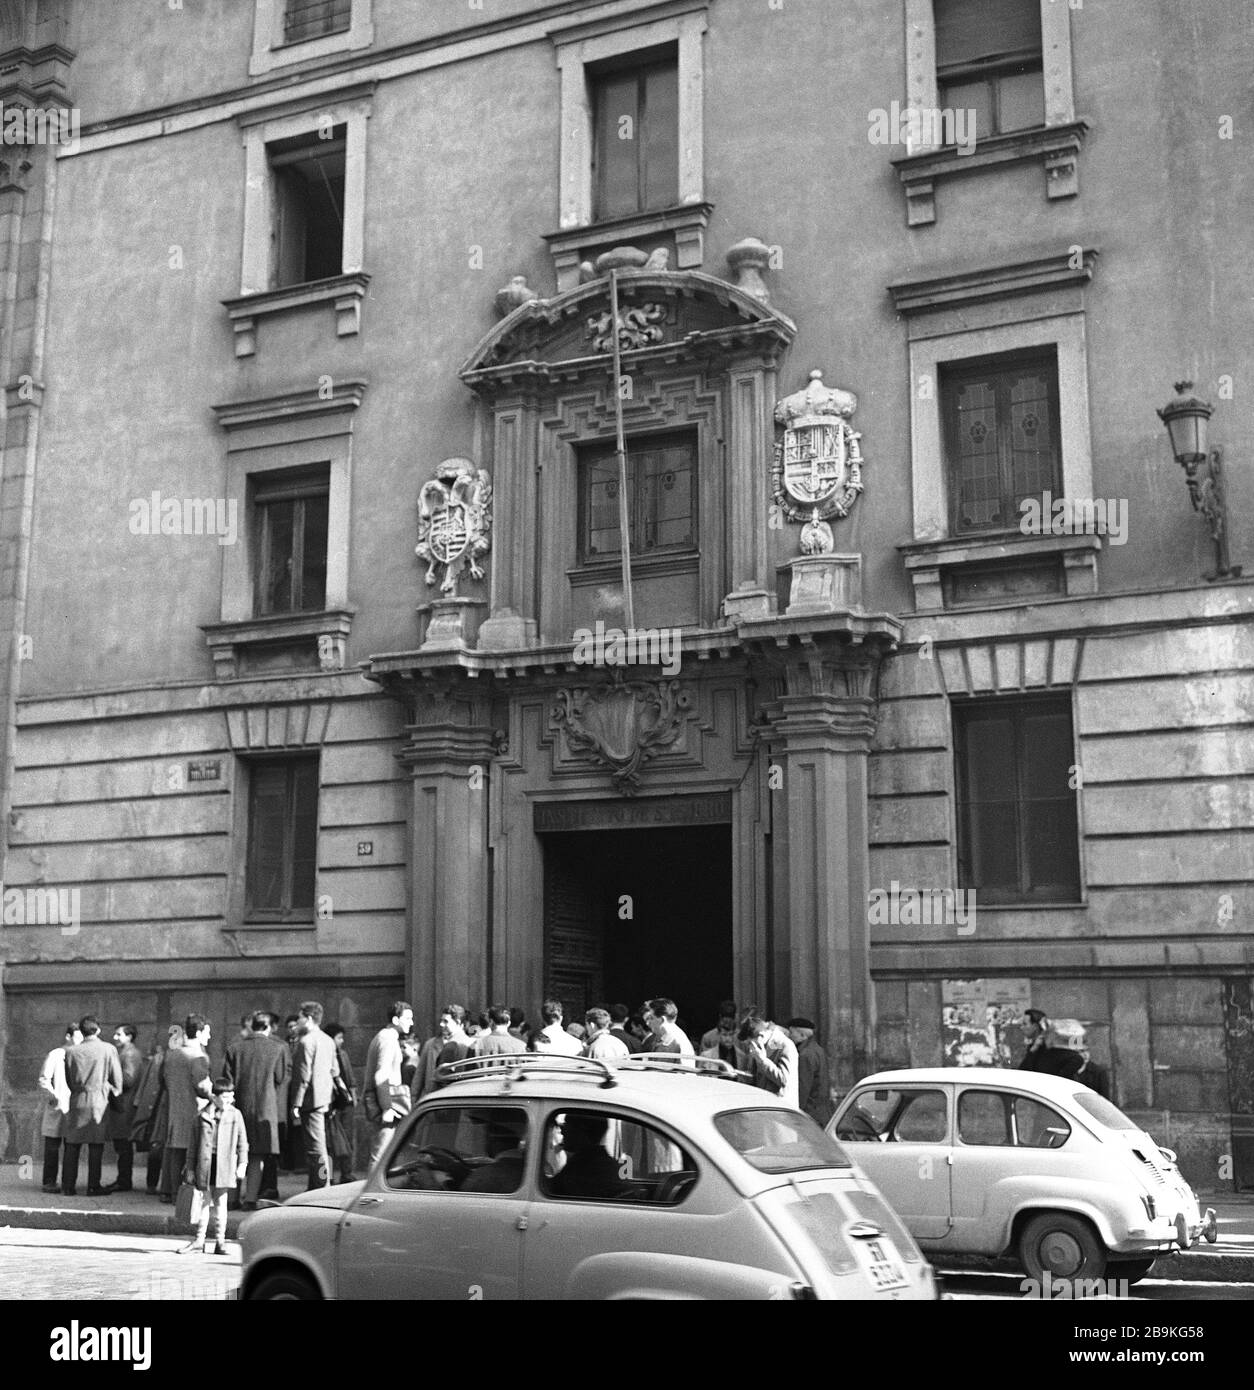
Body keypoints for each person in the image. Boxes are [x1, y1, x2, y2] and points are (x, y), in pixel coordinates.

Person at [222, 1011, 289, 1208]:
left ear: (253, 1026)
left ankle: (232, 1199)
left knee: (235, 1153)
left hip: (239, 1107)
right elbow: (281, 1078)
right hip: (266, 1108)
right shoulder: (279, 1048)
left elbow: (227, 1080)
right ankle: (250, 1199)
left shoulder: (235, 1048)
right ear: (268, 1027)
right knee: (257, 1155)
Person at [179, 1078, 248, 1256]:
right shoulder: (202, 1115)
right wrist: (191, 1169)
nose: (229, 1100)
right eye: (225, 1097)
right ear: (215, 1097)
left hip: (224, 1165)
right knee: (203, 1203)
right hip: (205, 1165)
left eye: (231, 1096)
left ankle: (220, 1241)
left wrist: (242, 1164)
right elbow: (193, 1145)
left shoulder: (235, 1114)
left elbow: (243, 1142)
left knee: (221, 1204)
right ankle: (199, 1241)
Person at [62, 1016, 123, 1196]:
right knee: (96, 1146)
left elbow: (68, 1079)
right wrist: (114, 1090)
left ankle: (68, 1186)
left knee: (72, 1145)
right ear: (98, 1030)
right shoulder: (108, 1049)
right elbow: (117, 1079)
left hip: (77, 1099)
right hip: (99, 1100)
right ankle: (93, 1185)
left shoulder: (71, 1051)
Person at [160, 1015, 213, 1204]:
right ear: (198, 1032)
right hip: (194, 1109)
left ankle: (174, 1192)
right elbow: (203, 1086)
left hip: (175, 1108)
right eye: (206, 1032)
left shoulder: (172, 1053)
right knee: (192, 1154)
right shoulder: (197, 1057)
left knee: (176, 1151)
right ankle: (188, 1194)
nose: (209, 1036)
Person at [289, 1000, 340, 1190]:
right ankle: (316, 1184)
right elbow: (335, 1070)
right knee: (320, 1146)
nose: (298, 1021)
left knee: (316, 1149)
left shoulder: (306, 1042)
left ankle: (322, 1184)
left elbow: (303, 1077)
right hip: (325, 1099)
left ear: (309, 1018)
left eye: (300, 1017)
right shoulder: (327, 1040)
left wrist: (296, 1103)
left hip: (312, 1101)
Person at [362, 1001, 413, 1166]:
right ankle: (373, 1191)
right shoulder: (387, 1038)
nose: (411, 1023)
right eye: (408, 1018)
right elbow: (381, 1075)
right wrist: (387, 1108)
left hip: (387, 1099)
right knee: (381, 1155)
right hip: (387, 1100)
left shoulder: (386, 1037)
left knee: (385, 1154)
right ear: (396, 1020)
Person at [38, 1022, 81, 1193]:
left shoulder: (81, 1054)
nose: (79, 1040)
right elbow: (44, 1079)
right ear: (68, 1037)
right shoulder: (56, 1054)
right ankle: (49, 1181)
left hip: (74, 1107)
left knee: (71, 1147)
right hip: (58, 1105)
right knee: (52, 1146)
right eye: (77, 1037)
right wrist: (53, 1096)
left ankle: (68, 1182)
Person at [548, 1112, 628, 1200]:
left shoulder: (583, 1169)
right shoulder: (597, 1162)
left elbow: (552, 1189)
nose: (562, 1130)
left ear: (582, 1131)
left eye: (567, 1124)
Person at [127, 1030, 168, 1195]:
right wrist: (140, 1102)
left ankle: (166, 1186)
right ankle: (152, 1184)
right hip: (156, 1108)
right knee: (155, 1147)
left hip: (166, 1107)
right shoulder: (158, 1059)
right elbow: (147, 1083)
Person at [735, 1008, 799, 1110]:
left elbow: (784, 1080)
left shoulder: (784, 1045)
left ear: (761, 1036)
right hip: (764, 1107)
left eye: (750, 1043)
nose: (750, 1048)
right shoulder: (762, 1047)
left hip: (781, 1110)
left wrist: (762, 1061)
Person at [106, 1024, 143, 1191]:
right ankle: (123, 1179)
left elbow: (128, 1079)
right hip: (123, 1105)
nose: (115, 1037)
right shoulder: (127, 1053)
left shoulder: (129, 1054)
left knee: (123, 1145)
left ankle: (124, 1180)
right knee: (122, 1145)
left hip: (124, 1106)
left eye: (119, 1034)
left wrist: (107, 1078)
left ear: (129, 1037)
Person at [324, 1021, 357, 1184]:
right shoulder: (324, 1054)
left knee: (347, 1140)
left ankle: (347, 1173)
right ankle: (326, 1176)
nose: (341, 1041)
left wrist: (353, 1096)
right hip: (330, 1104)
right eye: (339, 1038)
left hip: (345, 1103)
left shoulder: (342, 1054)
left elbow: (350, 1078)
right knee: (327, 1144)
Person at [787, 1017, 833, 1125]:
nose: (789, 1035)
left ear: (802, 1035)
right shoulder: (817, 1050)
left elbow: (803, 1089)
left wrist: (796, 1114)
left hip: (810, 1114)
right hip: (820, 1112)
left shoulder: (805, 1055)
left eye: (791, 1032)